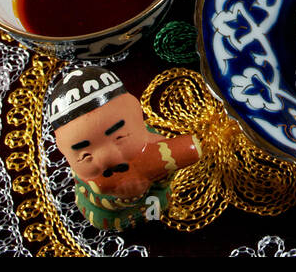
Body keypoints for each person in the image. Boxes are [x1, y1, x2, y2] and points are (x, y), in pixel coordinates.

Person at [48, 65, 202, 229]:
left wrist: (159, 175)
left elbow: (166, 176)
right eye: (85, 155)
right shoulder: (89, 181)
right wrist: (119, 196)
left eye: (119, 137)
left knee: (159, 201)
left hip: (153, 195)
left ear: (137, 115)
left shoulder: (154, 141)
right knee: (105, 218)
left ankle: (153, 218)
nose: (106, 158)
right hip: (111, 212)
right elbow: (95, 198)